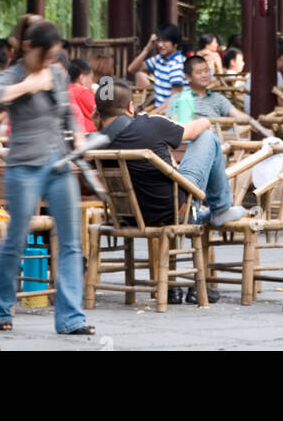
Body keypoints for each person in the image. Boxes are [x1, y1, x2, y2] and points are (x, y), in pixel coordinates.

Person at [0, 19, 93, 336]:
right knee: (16, 238)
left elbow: (68, 110)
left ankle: (71, 318)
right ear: (29, 48)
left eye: (54, 56)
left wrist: (80, 135)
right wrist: (28, 86)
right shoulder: (13, 74)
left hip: (58, 161)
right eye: (45, 56)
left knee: (71, 241)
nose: (50, 63)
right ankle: (0, 309)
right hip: (23, 165)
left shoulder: (57, 72)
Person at [94, 79, 246, 301]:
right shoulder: (151, 124)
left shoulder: (95, 141)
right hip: (175, 211)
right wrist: (204, 120)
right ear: (130, 107)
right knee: (207, 137)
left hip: (128, 217)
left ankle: (208, 212)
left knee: (177, 170)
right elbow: (195, 130)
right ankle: (220, 208)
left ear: (97, 113)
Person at [183, 55, 269, 136]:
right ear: (188, 77)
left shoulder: (217, 98)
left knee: (242, 130)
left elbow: (238, 115)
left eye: (206, 71)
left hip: (215, 142)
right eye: (199, 72)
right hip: (188, 142)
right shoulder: (180, 99)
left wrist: (263, 130)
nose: (204, 75)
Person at [128, 24, 186, 107]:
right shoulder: (159, 59)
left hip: (174, 112)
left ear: (175, 43)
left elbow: (174, 99)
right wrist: (147, 48)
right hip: (161, 110)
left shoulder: (178, 64)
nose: (160, 45)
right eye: (159, 41)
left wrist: (153, 114)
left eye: (165, 41)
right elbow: (132, 69)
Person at [68, 58, 97, 133]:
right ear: (81, 78)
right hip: (88, 133)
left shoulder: (66, 89)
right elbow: (100, 111)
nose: (92, 82)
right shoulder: (82, 92)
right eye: (91, 78)